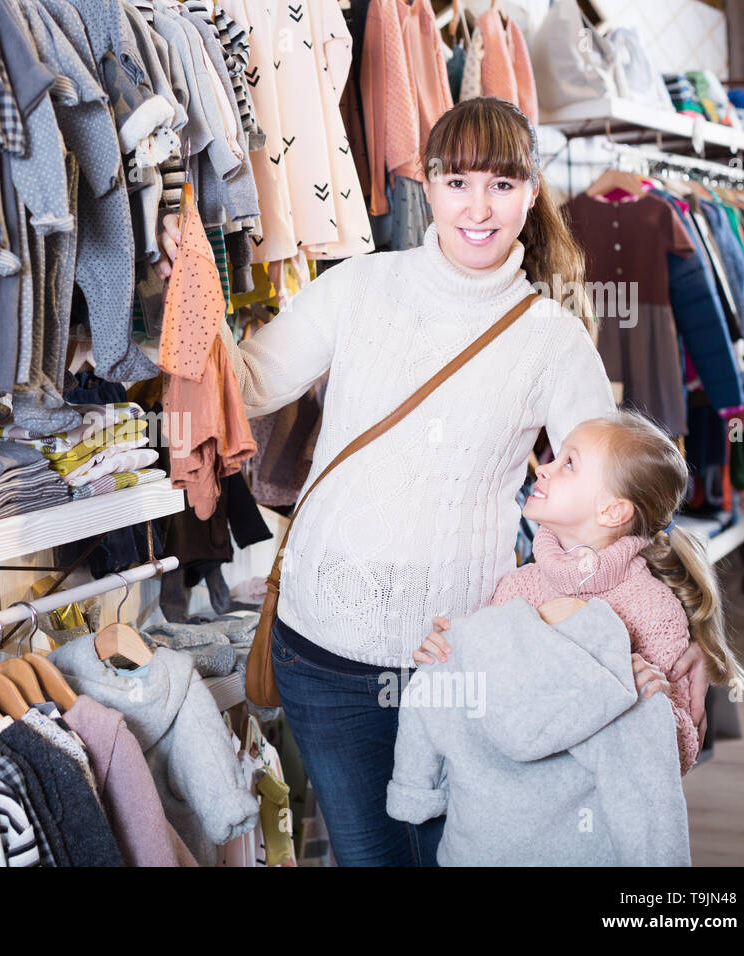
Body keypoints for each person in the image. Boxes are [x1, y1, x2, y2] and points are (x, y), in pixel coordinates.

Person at [154, 96, 712, 866]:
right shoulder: (359, 287)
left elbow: (611, 506)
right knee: (367, 856)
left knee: (457, 854)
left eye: (502, 185)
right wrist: (194, 285)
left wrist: (667, 635)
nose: (478, 208)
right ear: (431, 185)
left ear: (530, 192)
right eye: (458, 183)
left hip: (458, 664)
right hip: (320, 649)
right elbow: (244, 385)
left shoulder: (550, 339)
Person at [416, 409, 744, 777]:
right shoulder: (516, 587)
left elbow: (681, 754)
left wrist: (650, 704)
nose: (543, 468)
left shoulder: (654, 611)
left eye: (568, 464)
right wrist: (448, 662)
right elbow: (488, 701)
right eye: (555, 458)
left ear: (612, 511)